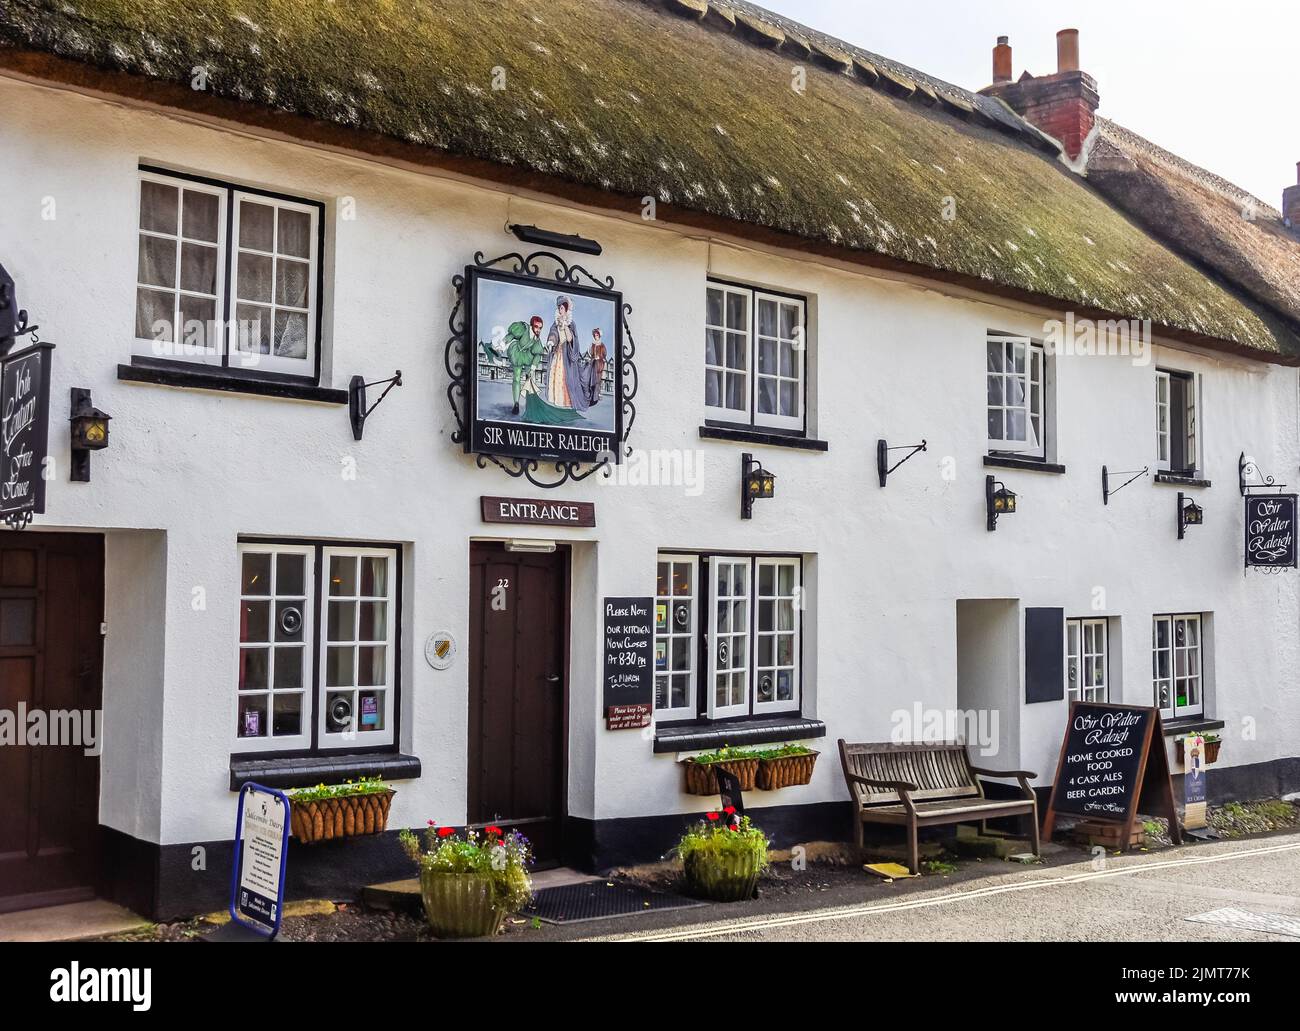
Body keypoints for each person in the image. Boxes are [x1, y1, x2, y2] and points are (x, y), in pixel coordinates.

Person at [546, 295, 589, 413]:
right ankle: (555, 400)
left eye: (562, 308)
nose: (560, 310)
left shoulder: (571, 324)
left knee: (566, 376)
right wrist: (551, 341)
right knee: (556, 375)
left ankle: (566, 401)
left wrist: (565, 326)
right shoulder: (555, 323)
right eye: (559, 308)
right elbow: (553, 333)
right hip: (557, 352)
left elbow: (572, 339)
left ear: (566, 310)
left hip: (567, 354)